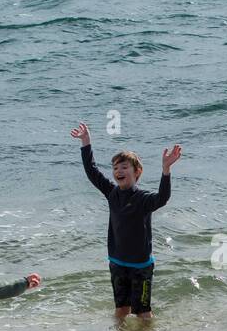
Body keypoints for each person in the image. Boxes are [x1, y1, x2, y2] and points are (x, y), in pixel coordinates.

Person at [73, 121, 181, 319]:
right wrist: (86, 142)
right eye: (115, 168)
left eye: (124, 167)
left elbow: (162, 199)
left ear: (136, 172)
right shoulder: (111, 193)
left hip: (141, 266)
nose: (118, 171)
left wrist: (166, 170)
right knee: (121, 310)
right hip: (117, 262)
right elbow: (92, 171)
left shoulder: (143, 199)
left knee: (143, 312)